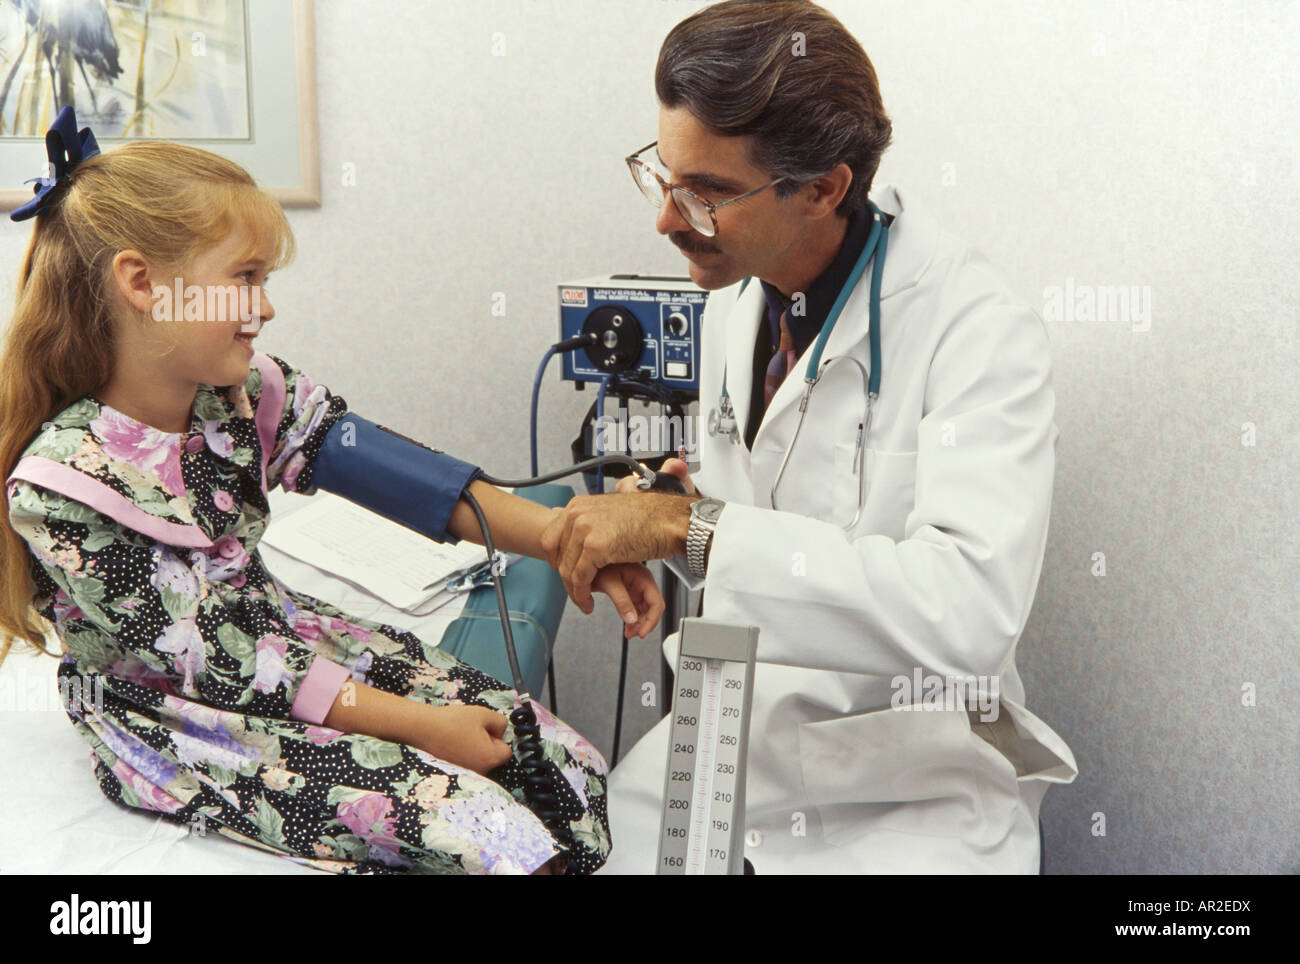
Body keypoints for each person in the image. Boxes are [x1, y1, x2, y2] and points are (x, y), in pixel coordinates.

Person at [0, 107, 663, 875]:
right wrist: (420, 726)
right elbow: (222, 660)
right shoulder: (65, 488)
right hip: (183, 709)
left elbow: (378, 465)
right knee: (493, 835)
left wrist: (560, 538)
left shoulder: (237, 395)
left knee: (559, 758)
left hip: (288, 644)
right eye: (245, 278)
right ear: (144, 283)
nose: (267, 306)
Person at [541, 0, 1079, 873]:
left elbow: (970, 612)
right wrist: (679, 520)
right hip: (736, 735)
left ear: (825, 188)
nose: (669, 222)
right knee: (576, 851)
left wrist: (694, 530)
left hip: (908, 774)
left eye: (707, 194)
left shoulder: (975, 327)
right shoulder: (737, 300)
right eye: (665, 178)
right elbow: (768, 518)